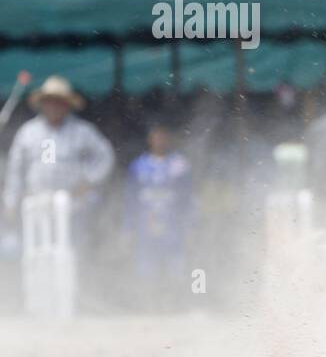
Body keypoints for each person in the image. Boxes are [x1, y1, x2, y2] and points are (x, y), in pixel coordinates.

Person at [3, 75, 115, 246]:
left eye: (59, 102)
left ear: (67, 105)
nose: (54, 107)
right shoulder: (28, 132)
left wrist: (89, 181)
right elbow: (15, 170)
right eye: (50, 101)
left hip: (73, 205)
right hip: (35, 203)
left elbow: (105, 156)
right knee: (36, 251)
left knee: (71, 250)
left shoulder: (82, 131)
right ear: (42, 104)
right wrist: (11, 202)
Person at [123, 123, 194, 307]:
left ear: (169, 139)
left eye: (164, 136)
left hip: (173, 225)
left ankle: (176, 304)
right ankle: (149, 304)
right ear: (150, 139)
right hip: (145, 225)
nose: (160, 140)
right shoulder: (138, 166)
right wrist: (127, 228)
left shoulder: (180, 165)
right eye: (156, 136)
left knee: (176, 264)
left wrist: (191, 226)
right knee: (146, 266)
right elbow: (130, 199)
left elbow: (189, 198)